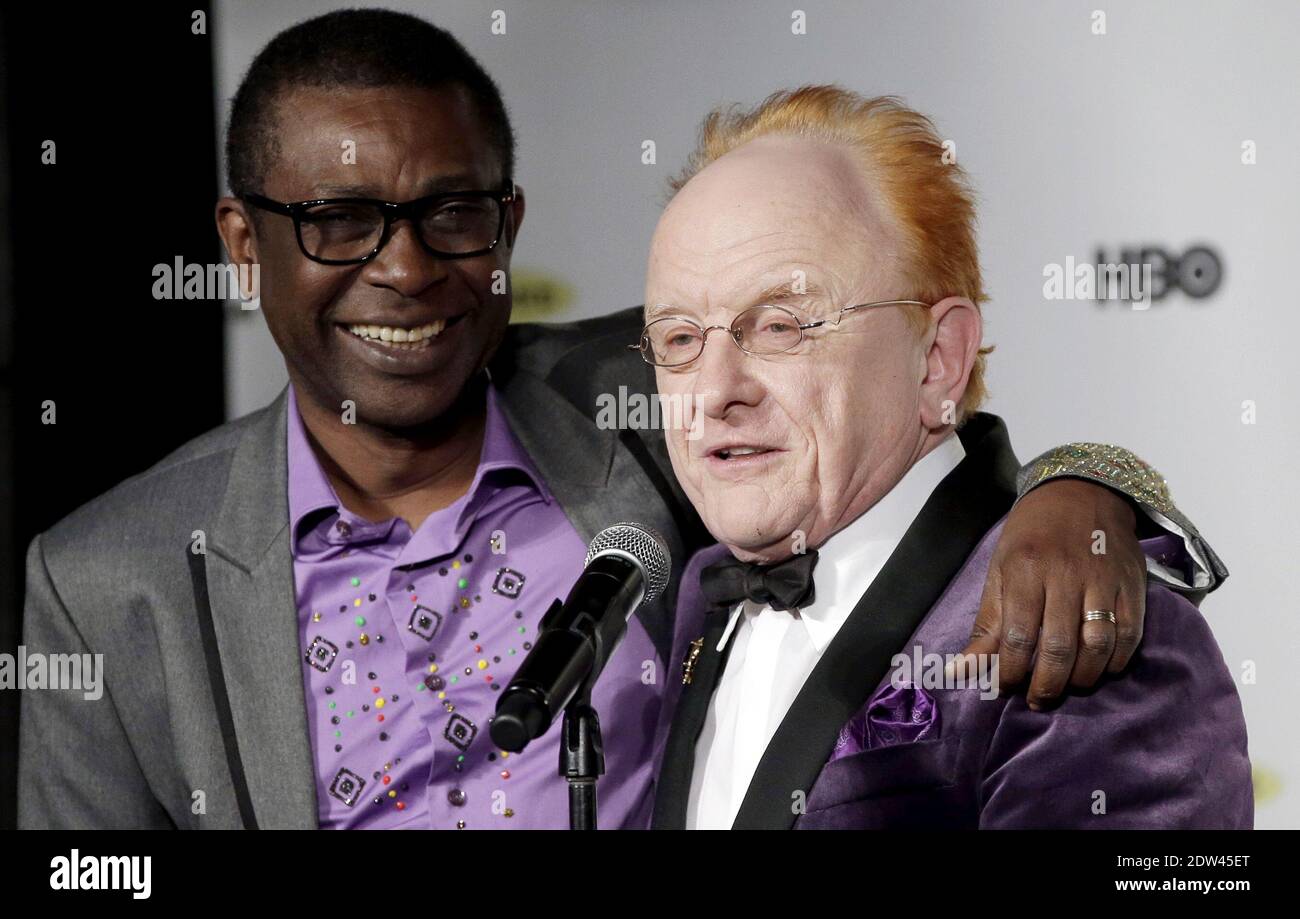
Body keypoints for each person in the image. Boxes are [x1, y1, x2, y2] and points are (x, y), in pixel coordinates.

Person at [19, 10, 1223, 830]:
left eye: (452, 215)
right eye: (339, 218)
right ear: (243, 243)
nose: (402, 269)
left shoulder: (644, 398)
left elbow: (908, 429)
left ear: (507, 224)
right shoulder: (106, 578)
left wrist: (1086, 487)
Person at [647, 87, 1250, 829]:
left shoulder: (1077, 619)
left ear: (937, 357)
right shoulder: (689, 602)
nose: (712, 391)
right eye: (678, 339)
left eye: (780, 325)